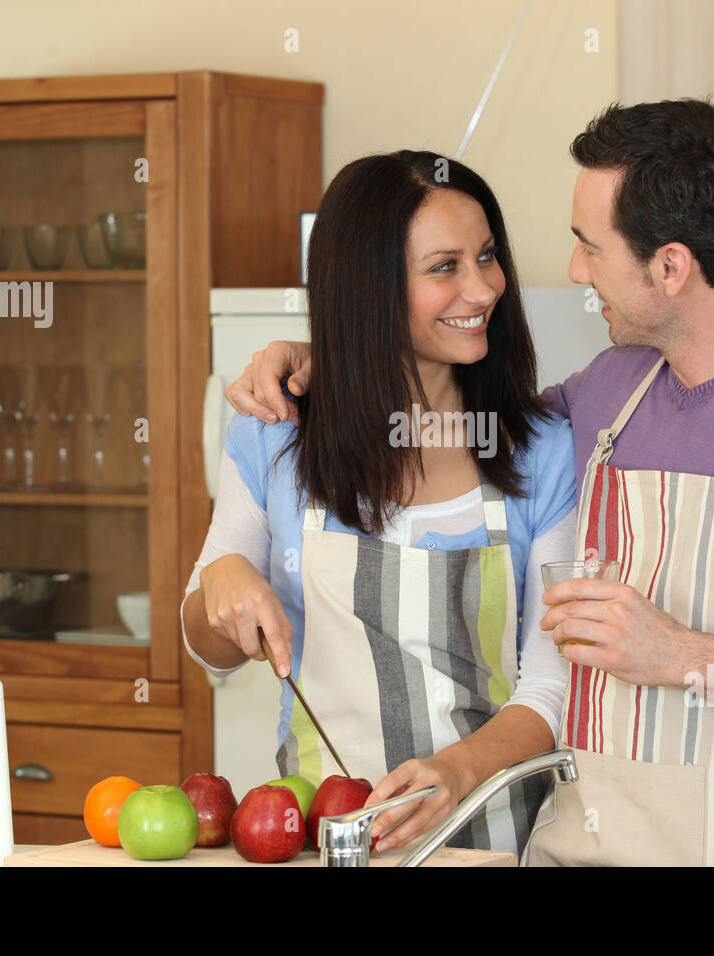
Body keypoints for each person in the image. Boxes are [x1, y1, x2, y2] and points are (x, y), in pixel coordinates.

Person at [225, 100, 714, 867]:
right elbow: (452, 426)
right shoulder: (613, 390)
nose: (575, 270)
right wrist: (323, 363)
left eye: (590, 246)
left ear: (671, 267)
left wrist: (682, 655)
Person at [181, 150, 577, 857]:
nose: (485, 288)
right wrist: (221, 580)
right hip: (317, 840)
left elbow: (554, 682)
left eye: (486, 257)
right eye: (444, 267)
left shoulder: (542, 449)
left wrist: (455, 772)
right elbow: (207, 650)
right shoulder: (274, 436)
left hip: (491, 843)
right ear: (369, 290)